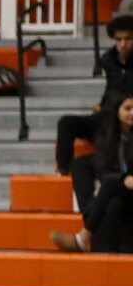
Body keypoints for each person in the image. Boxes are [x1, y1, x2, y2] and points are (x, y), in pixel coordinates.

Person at [55, 15, 133, 195]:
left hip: (124, 120)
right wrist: (103, 103)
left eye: (128, 39)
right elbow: (112, 86)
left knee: (106, 136)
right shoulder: (107, 59)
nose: (123, 44)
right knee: (66, 122)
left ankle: (106, 180)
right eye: (119, 39)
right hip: (105, 113)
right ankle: (64, 169)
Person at [50, 95, 133, 255]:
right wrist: (118, 183)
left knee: (109, 186)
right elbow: (102, 169)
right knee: (114, 202)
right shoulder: (106, 137)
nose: (132, 113)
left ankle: (82, 238)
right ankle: (105, 257)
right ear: (117, 111)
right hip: (122, 190)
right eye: (128, 108)